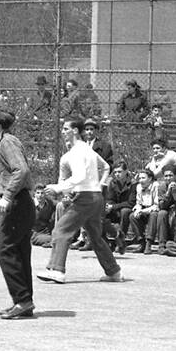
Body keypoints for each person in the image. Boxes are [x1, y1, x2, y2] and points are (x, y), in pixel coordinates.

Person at [38, 119, 123, 285]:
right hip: (96, 197)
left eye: (65, 128)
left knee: (61, 230)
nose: (62, 132)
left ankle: (57, 270)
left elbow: (79, 176)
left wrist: (58, 188)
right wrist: (100, 185)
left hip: (85, 198)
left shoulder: (77, 152)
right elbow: (105, 166)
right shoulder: (87, 149)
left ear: (75, 131)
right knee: (96, 237)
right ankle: (114, 272)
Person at [0, 109, 36, 319]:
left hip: (16, 202)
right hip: (21, 202)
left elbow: (21, 170)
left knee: (4, 251)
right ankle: (24, 302)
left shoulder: (7, 142)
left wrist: (6, 197)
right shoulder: (7, 142)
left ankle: (22, 299)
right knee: (20, 252)